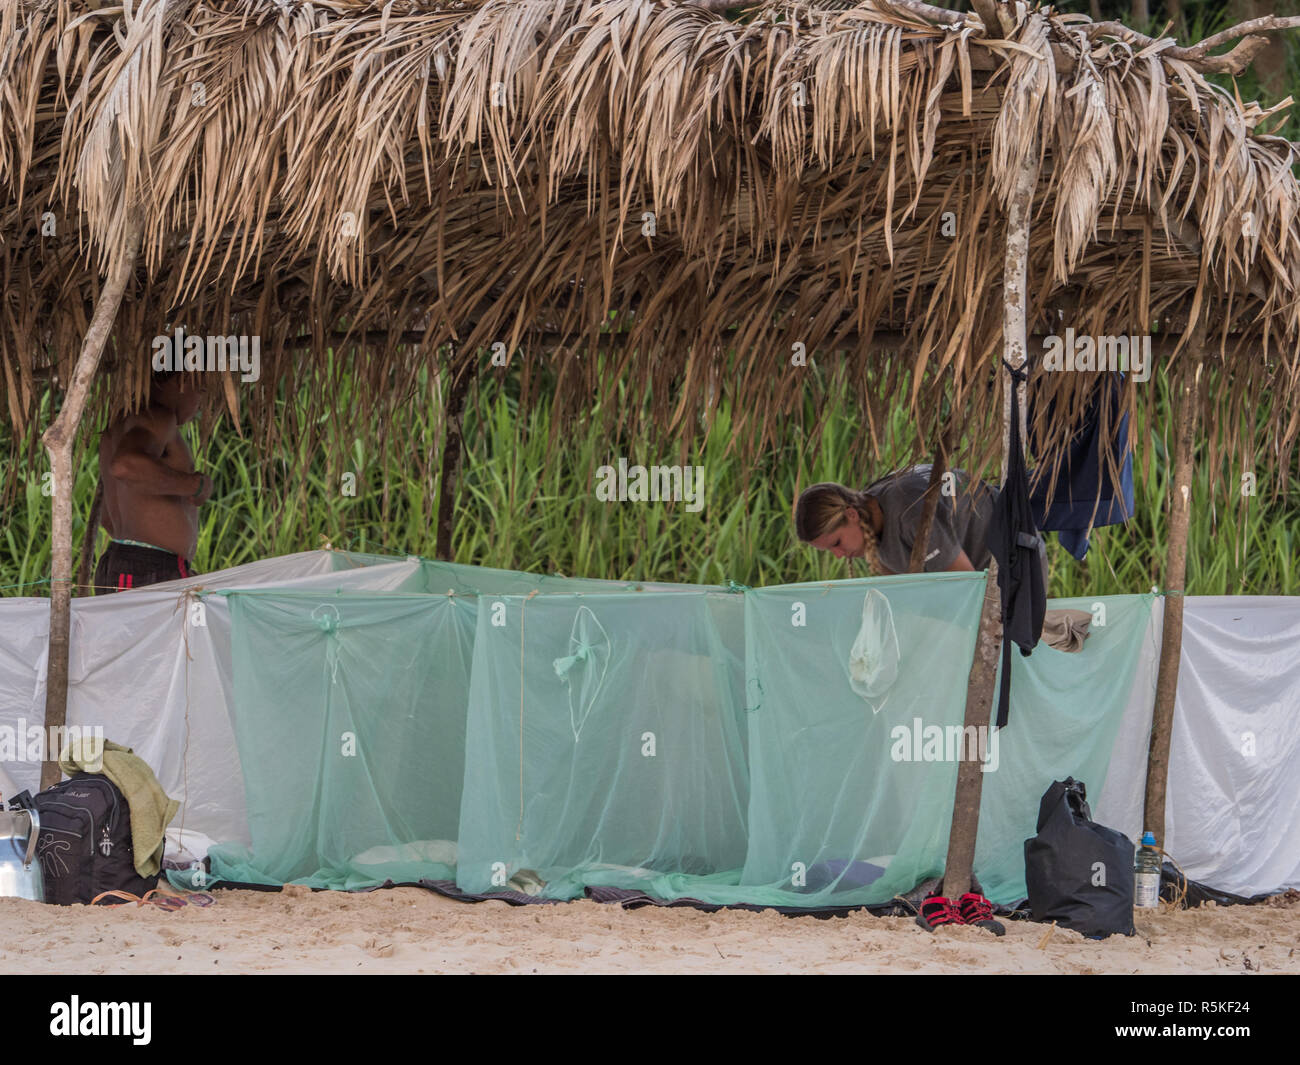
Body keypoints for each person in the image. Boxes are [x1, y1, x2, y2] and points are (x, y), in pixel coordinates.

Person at [795, 464, 1046, 583]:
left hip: (1017, 562)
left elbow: (965, 587)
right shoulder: (870, 515)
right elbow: (903, 597)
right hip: (978, 578)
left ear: (851, 514)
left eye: (836, 543)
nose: (839, 556)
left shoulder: (910, 513)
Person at [93, 369, 212, 593]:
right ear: (185, 379)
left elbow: (108, 520)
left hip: (134, 566)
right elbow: (125, 466)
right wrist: (195, 486)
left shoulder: (118, 425)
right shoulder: (157, 418)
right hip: (146, 568)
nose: (201, 403)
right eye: (202, 391)